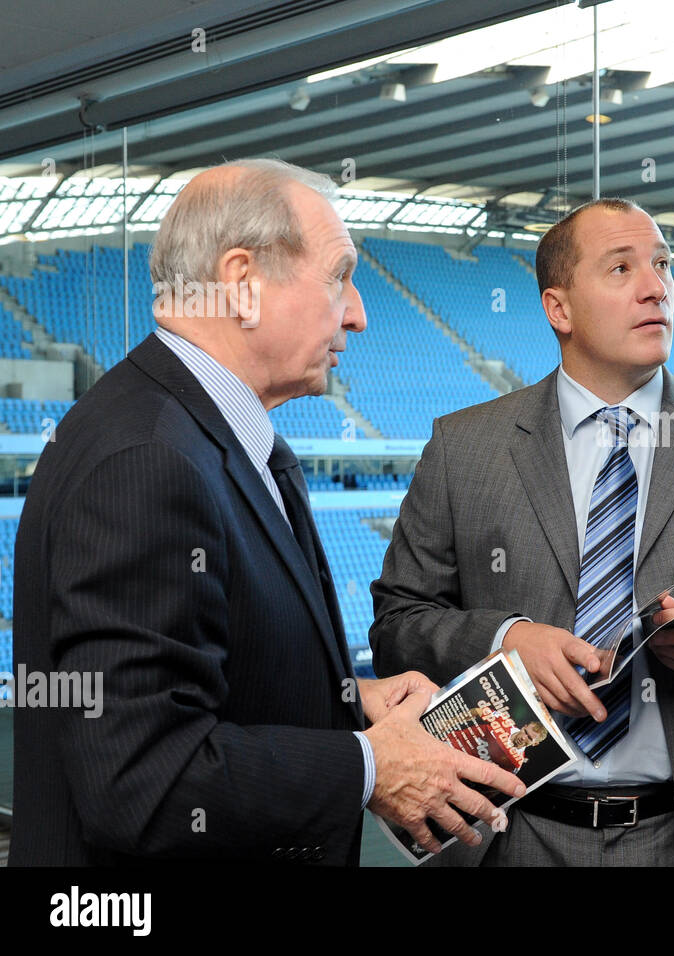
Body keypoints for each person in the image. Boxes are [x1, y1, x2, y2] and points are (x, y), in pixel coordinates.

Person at [10, 158, 525, 866]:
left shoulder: (206, 437)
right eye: (339, 275)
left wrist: (345, 701)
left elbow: (211, 686)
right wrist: (369, 765)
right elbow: (146, 782)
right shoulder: (148, 460)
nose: (359, 313)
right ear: (243, 284)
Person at [370, 197, 674, 866]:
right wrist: (505, 642)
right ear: (558, 308)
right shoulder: (464, 446)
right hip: (514, 835)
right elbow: (397, 624)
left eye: (662, 266)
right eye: (621, 268)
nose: (655, 287)